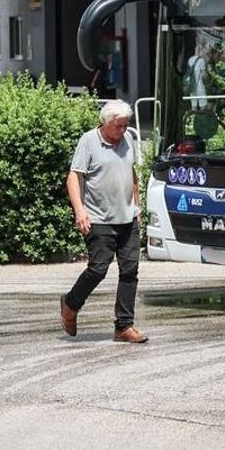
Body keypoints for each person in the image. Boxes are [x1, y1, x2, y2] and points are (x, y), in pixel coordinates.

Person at [61, 100, 148, 343]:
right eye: (119, 126)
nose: (123, 130)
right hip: (98, 217)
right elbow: (73, 177)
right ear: (106, 123)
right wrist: (80, 211)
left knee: (130, 270)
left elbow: (133, 175)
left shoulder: (129, 139)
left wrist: (137, 207)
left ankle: (124, 326)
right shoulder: (89, 140)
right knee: (98, 268)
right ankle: (70, 304)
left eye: (125, 125)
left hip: (127, 217)